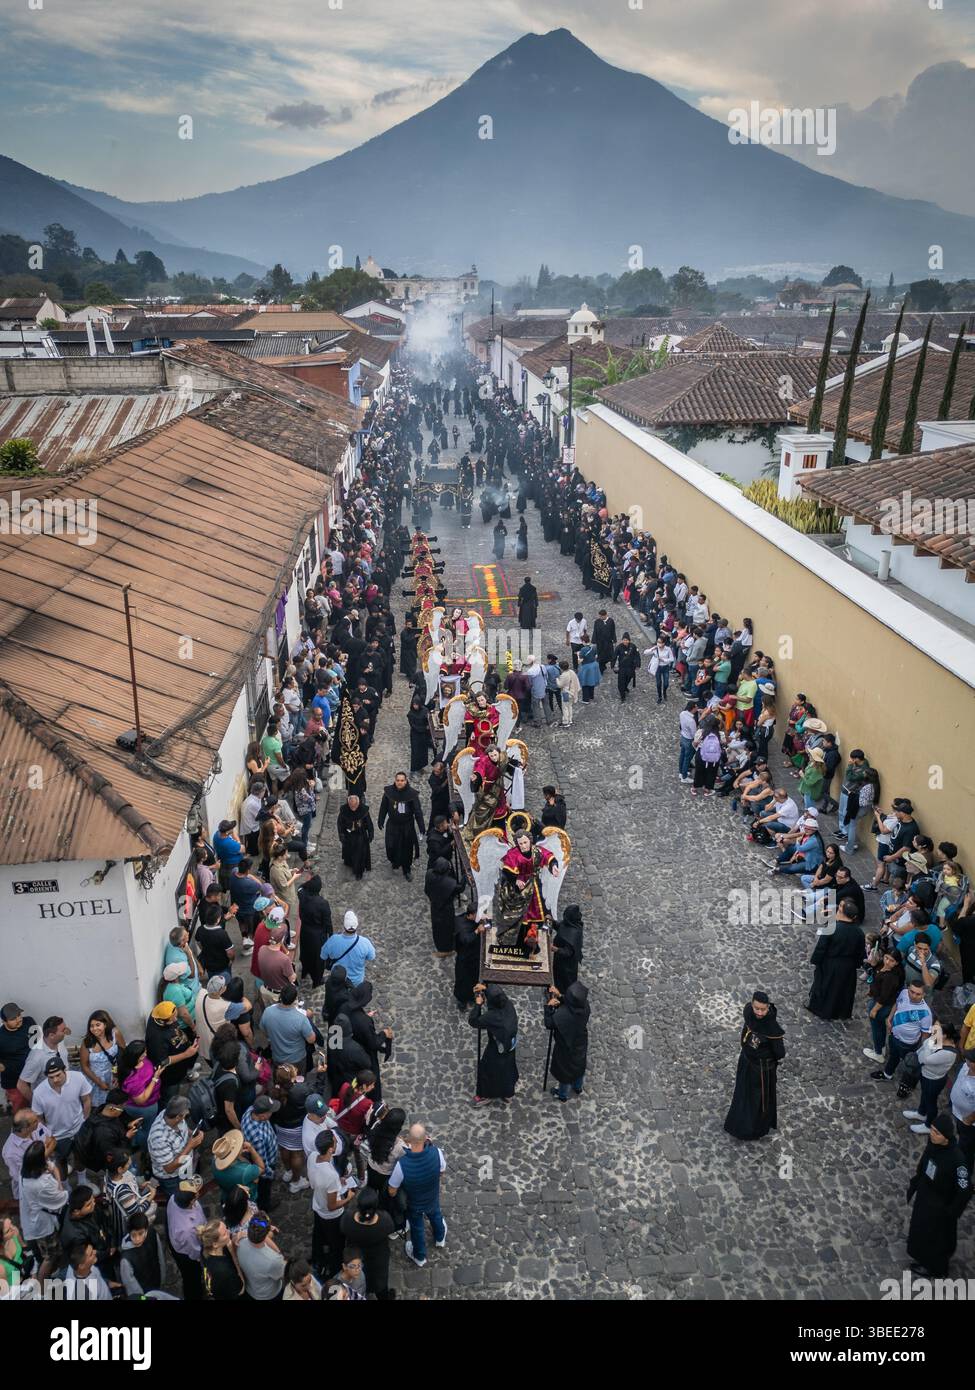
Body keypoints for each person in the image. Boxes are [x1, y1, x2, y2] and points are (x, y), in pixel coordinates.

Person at [905, 1113, 971, 1277]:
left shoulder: (958, 1160)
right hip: (926, 1197)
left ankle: (936, 1268)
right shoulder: (933, 1145)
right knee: (922, 1230)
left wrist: (951, 1213)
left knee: (937, 1239)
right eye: (932, 1130)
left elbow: (964, 1190)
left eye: (937, 1133)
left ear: (946, 1137)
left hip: (941, 1206)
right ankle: (922, 1256)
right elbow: (924, 1165)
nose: (932, 1135)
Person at [723, 991, 786, 1140]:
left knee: (756, 1101)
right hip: (746, 1063)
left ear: (768, 1008)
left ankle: (753, 1130)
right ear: (752, 1005)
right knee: (742, 1094)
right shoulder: (749, 1013)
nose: (759, 1012)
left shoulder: (772, 1029)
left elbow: (780, 1052)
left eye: (762, 1009)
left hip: (761, 1071)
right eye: (756, 1008)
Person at [388, 1123, 447, 1270]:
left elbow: (391, 1191)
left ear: (409, 1141)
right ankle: (440, 1238)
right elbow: (441, 1172)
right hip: (432, 1197)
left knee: (417, 1228)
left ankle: (420, 1256)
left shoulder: (402, 1165)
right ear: (426, 1137)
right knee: (436, 1215)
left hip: (414, 1203)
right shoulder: (437, 1152)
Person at [806, 899, 866, 1020]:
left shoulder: (832, 927)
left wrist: (816, 961)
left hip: (831, 963)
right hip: (848, 966)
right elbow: (860, 952)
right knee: (843, 990)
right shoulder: (859, 932)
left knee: (825, 987)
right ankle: (839, 1012)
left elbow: (821, 948)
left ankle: (820, 1009)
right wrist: (856, 964)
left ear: (841, 912)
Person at [18, 1140, 68, 1280]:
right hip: (42, 1225)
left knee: (43, 1252)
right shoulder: (42, 1184)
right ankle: (40, 1285)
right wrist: (60, 1185)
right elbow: (61, 1198)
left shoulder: (24, 1171)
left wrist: (56, 1177)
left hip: (29, 1218)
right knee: (50, 1256)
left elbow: (52, 1167)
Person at [309, 1128, 354, 1281]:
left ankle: (317, 1258)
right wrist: (348, 1198)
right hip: (331, 1216)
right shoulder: (330, 1175)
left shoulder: (312, 1157)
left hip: (317, 1205)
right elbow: (332, 1205)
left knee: (318, 1235)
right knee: (337, 1244)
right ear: (330, 1149)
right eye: (335, 1142)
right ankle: (334, 1269)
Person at [31, 1056, 93, 1166]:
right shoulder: (39, 1092)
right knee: (60, 1162)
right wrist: (47, 1135)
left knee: (81, 1156)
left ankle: (82, 1180)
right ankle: (64, 1183)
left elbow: (86, 1099)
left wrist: (85, 1120)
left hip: (79, 1128)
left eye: (58, 1075)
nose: (55, 1079)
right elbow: (39, 1118)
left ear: (65, 1070)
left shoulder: (78, 1078)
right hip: (57, 1135)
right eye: (51, 1077)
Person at [340, 1185, 395, 1299]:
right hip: (378, 1259)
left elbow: (343, 1229)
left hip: (357, 1258)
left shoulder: (348, 1219)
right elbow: (391, 1229)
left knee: (359, 1281)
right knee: (380, 1285)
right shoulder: (385, 1221)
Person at [470, 983, 519, 1105]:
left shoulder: (491, 1017)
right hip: (510, 1044)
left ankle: (486, 1095)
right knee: (507, 1068)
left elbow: (473, 1021)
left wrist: (478, 1004)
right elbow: (499, 997)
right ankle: (507, 1093)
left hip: (497, 1046)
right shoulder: (508, 1005)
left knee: (488, 1069)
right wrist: (486, 990)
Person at [544, 983, 590, 1101]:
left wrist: (548, 1007)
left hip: (565, 1047)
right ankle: (577, 1087)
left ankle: (562, 1095)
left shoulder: (562, 1016)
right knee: (579, 1068)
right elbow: (573, 1006)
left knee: (565, 1073)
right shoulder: (585, 1007)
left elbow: (549, 1023)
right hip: (580, 1043)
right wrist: (560, 996)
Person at [378, 772, 425, 880]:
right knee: (391, 845)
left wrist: (421, 827)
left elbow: (418, 811)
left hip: (406, 826)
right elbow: (383, 807)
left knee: (407, 848)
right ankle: (395, 861)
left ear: (406, 781)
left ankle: (406, 869)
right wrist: (381, 820)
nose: (400, 782)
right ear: (395, 781)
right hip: (393, 824)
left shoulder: (412, 794)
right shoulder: (388, 792)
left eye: (402, 780)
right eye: (398, 780)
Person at [166, 1179, 205, 1300]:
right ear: (192, 1201)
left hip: (178, 1240)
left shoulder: (173, 1198)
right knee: (192, 1279)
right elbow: (194, 1251)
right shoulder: (188, 1230)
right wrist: (201, 1259)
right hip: (187, 1255)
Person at [118, 1212, 169, 1299]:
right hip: (144, 1294)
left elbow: (160, 1256)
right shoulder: (125, 1260)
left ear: (147, 1229)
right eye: (133, 1235)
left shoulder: (152, 1234)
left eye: (141, 1234)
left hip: (157, 1283)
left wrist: (162, 1279)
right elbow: (132, 1288)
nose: (137, 1239)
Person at [78, 1011, 124, 1108]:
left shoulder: (115, 1034)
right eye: (92, 1026)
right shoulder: (87, 1042)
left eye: (98, 1025)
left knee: (112, 1105)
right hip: (94, 1078)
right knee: (96, 1106)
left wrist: (116, 1075)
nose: (94, 1029)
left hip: (112, 1076)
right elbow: (84, 1066)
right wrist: (99, 1083)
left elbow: (120, 1056)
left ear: (106, 1024)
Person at [237, 1211, 286, 1300]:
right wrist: (279, 1253)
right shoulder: (273, 1260)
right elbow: (282, 1275)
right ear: (267, 1233)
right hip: (269, 1295)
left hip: (251, 1290)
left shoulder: (238, 1241)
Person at [321, 911, 376, 987]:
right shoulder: (365, 942)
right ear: (357, 926)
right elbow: (371, 957)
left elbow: (323, 955)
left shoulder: (333, 940)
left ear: (344, 926)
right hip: (356, 981)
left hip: (338, 979)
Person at [296, 875, 332, 987]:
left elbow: (300, 887)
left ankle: (305, 971)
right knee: (318, 959)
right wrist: (330, 935)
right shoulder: (323, 903)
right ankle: (317, 980)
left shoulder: (302, 895)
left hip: (305, 930)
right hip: (318, 935)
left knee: (306, 952)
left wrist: (308, 883)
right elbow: (327, 922)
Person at [200, 1218, 246, 1301]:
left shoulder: (204, 1249)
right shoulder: (224, 1270)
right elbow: (241, 1289)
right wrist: (233, 1253)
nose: (229, 1232)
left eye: (226, 1228)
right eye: (225, 1234)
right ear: (215, 1244)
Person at [425, 856, 462, 956]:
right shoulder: (448, 883)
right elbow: (460, 888)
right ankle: (447, 949)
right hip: (446, 909)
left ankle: (441, 946)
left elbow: (427, 890)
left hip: (435, 906)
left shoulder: (429, 874)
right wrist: (465, 878)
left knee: (437, 927)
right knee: (447, 928)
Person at [337, 792, 374, 880]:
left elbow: (369, 823)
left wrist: (371, 833)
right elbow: (340, 824)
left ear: (358, 803)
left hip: (360, 835)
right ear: (348, 803)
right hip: (348, 835)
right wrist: (341, 835)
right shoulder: (344, 811)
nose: (353, 808)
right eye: (351, 805)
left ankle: (358, 871)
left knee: (359, 854)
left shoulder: (363, 810)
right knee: (349, 852)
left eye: (355, 805)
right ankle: (350, 863)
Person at [407, 695, 432, 773]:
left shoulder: (425, 710)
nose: (415, 706)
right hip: (415, 735)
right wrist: (425, 728)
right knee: (415, 752)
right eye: (414, 704)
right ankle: (415, 768)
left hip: (424, 735)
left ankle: (421, 767)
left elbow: (428, 720)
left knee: (423, 751)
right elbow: (414, 726)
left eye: (416, 704)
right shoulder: (410, 714)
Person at [613, 633, 640, 701]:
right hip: (622, 668)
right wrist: (613, 665)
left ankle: (625, 687)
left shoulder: (633, 646)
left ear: (629, 640)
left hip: (630, 667)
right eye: (624, 640)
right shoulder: (619, 647)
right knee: (621, 682)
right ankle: (622, 695)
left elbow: (637, 656)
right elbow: (614, 656)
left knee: (628, 679)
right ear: (622, 640)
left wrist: (637, 664)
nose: (625, 641)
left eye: (626, 640)